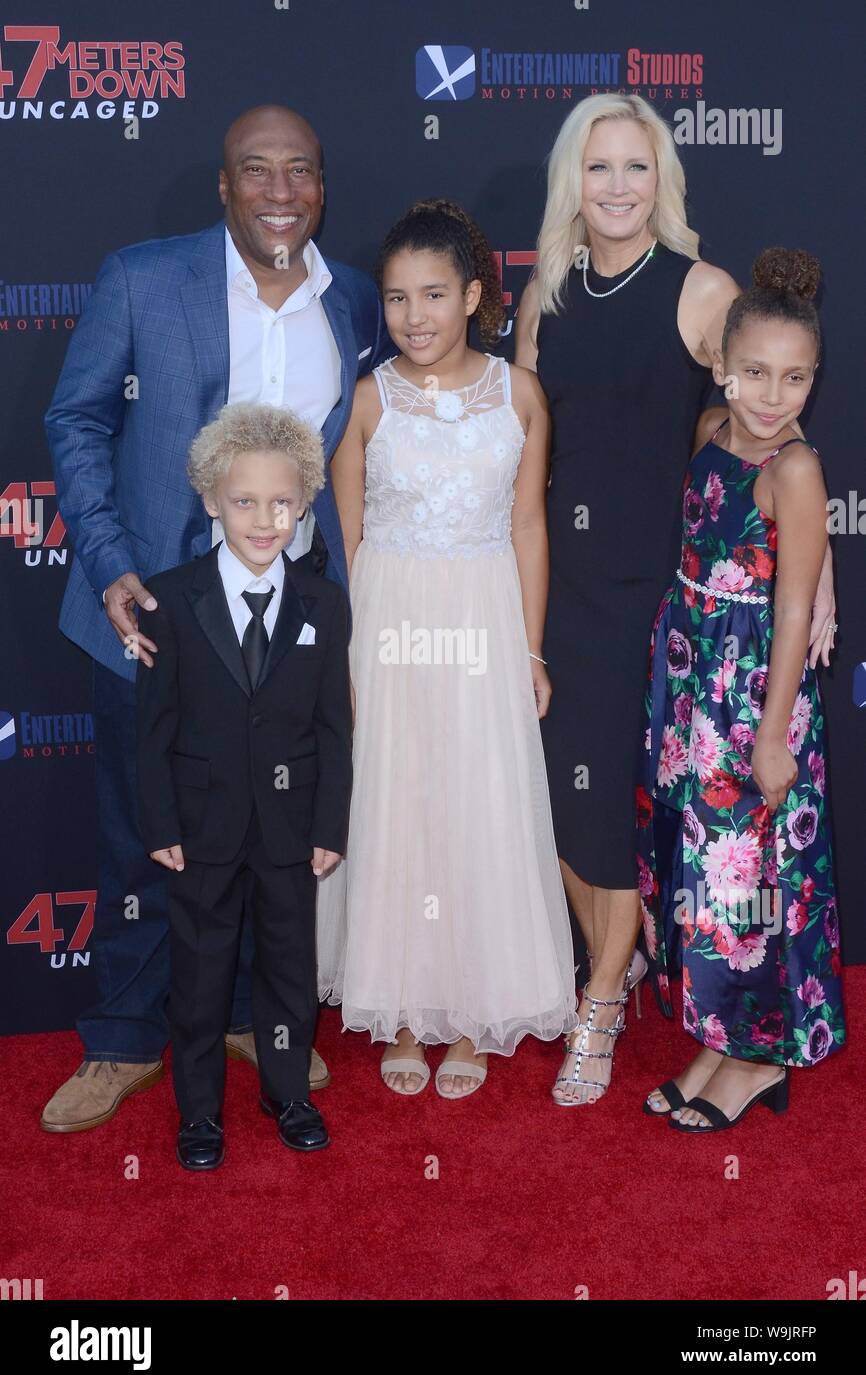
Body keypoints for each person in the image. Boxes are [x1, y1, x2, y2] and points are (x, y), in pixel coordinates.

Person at [42, 104, 392, 1133]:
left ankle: (250, 1016)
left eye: (300, 170)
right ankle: (121, 1036)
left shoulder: (355, 301)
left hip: (283, 625)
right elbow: (76, 418)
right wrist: (109, 562)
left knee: (267, 829)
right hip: (152, 608)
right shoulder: (142, 277)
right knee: (141, 834)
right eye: (256, 170)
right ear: (223, 185)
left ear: (322, 185)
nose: (280, 191)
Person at [514, 94, 836, 1106]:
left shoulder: (700, 290)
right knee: (566, 807)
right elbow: (523, 451)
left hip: (667, 600)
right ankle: (636, 964)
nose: (616, 187)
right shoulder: (544, 297)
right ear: (574, 179)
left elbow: (764, 438)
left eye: (636, 168)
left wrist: (814, 573)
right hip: (561, 587)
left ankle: (602, 997)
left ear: (663, 182)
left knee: (628, 813)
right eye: (599, 168)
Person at [316, 199, 577, 1097]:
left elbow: (530, 529)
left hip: (483, 620)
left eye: (433, 294)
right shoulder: (364, 402)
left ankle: (469, 1014)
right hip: (388, 621)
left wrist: (533, 653)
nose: (414, 317)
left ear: (473, 295)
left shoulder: (521, 394)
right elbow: (343, 546)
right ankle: (396, 1004)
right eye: (395, 299)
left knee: (477, 803)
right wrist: (342, 660)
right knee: (398, 801)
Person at [639, 249, 845, 1132]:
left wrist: (771, 738)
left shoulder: (794, 471)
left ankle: (757, 1057)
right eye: (755, 372)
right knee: (701, 871)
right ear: (722, 367)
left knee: (747, 882)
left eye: (795, 378)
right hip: (690, 685)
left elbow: (794, 610)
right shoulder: (711, 432)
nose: (773, 395)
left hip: (754, 695)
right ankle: (719, 1040)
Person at [136, 402, 352, 1169]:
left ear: (305, 503)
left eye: (283, 503)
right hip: (201, 827)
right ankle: (199, 1112)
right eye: (245, 502)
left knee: (290, 965)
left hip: (293, 829)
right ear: (209, 500)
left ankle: (287, 1089)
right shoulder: (169, 600)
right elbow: (153, 729)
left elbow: (334, 727)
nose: (265, 520)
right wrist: (160, 822)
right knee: (199, 971)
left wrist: (331, 826)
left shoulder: (325, 603)